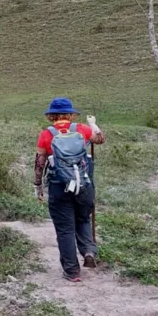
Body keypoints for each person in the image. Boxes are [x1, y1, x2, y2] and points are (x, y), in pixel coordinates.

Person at [34, 97, 106, 283]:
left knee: (65, 229)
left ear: (51, 116)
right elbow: (100, 140)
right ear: (71, 114)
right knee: (83, 219)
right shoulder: (82, 129)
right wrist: (94, 125)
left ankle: (72, 271)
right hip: (84, 184)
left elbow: (40, 163)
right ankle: (89, 250)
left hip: (59, 186)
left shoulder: (46, 134)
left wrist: (38, 185)